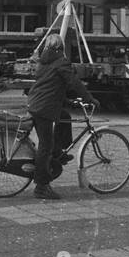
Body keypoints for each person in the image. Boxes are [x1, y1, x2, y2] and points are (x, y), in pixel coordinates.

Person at [25, 34, 96, 199]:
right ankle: (41, 187)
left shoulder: (44, 62)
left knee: (65, 116)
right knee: (45, 145)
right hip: (44, 108)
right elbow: (74, 82)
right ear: (61, 48)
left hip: (35, 104)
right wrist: (89, 99)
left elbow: (50, 86)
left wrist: (68, 102)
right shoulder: (61, 62)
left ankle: (58, 153)